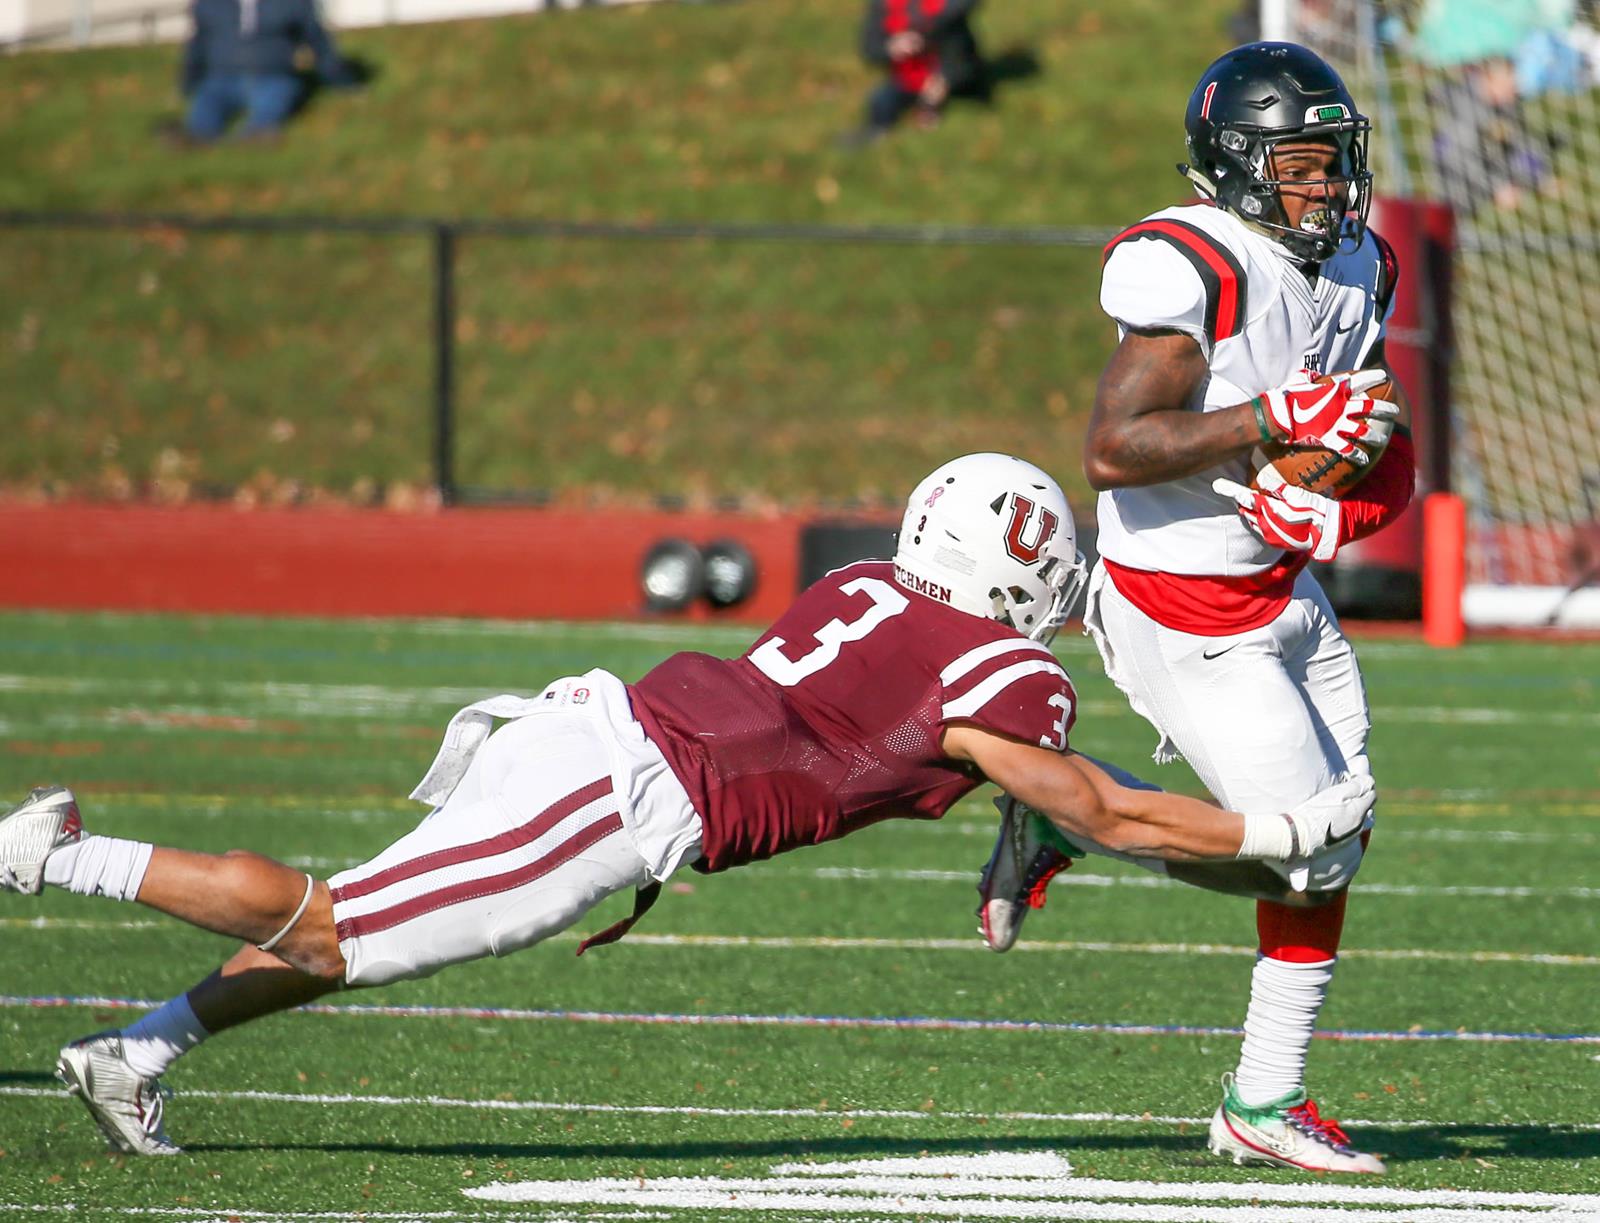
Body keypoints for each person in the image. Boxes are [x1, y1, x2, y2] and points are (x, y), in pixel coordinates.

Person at [0, 453, 1374, 1157]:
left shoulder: (863, 588)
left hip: (591, 736)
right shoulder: (1002, 672)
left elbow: (1009, 777)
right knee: (332, 927)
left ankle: (138, 1048)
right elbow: (1106, 807)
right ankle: (56, 851)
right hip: (614, 797)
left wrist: (1047, 823)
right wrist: (1282, 832)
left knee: (352, 930)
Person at [976, 43, 1416, 1176]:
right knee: (1304, 854)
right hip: (1183, 605)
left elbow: (1377, 430)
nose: (1326, 185)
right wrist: (1273, 421)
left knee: (1338, 841)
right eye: (1299, 164)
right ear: (1235, 167)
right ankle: (1082, 818)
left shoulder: (1359, 260)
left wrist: (1338, 506)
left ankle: (1262, 1095)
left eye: (1333, 160)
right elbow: (1114, 449)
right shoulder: (1195, 265)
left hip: (1281, 585)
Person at [178, 0, 360, 144]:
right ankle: (197, 138)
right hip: (220, 79)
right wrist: (188, 84)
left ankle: (256, 135)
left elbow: (318, 41)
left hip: (273, 77)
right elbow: (197, 47)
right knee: (204, 114)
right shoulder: (209, 4)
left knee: (268, 109)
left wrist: (342, 81)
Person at [847, 0, 988, 144]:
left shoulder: (948, 10)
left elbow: (960, 49)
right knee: (880, 102)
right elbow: (870, 49)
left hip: (954, 74)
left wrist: (945, 79)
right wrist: (891, 47)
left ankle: (930, 109)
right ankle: (876, 134)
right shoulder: (882, 6)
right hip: (908, 76)